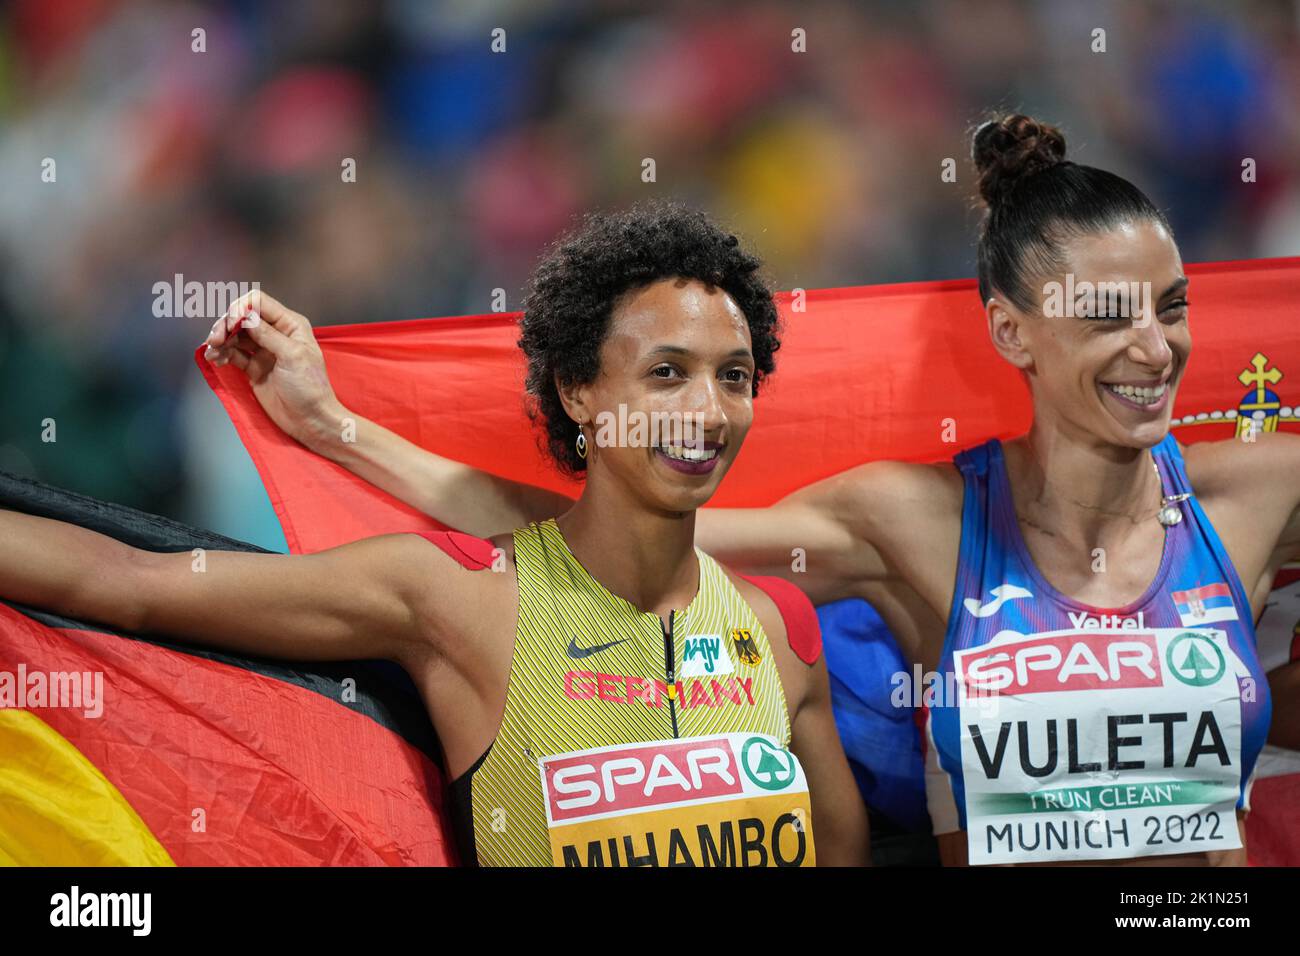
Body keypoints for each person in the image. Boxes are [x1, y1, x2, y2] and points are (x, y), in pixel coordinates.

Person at [209, 115, 1299, 866]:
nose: (1154, 348)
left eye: (1172, 305)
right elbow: (595, 527)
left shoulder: (1254, 485)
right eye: (1109, 315)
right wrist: (334, 426)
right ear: (1010, 329)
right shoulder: (917, 522)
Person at [4, 203, 869, 867]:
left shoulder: (778, 633)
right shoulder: (459, 598)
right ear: (578, 392)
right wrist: (329, 424)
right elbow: (124, 580)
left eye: (735, 377)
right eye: (667, 375)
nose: (707, 412)